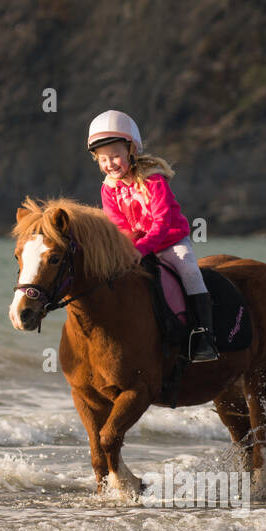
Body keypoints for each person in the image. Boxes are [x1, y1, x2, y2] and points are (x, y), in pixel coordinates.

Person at [88, 110, 218, 362]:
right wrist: (128, 248)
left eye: (115, 156)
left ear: (131, 151)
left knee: (191, 272)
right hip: (137, 246)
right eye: (103, 160)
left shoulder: (154, 180)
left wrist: (142, 248)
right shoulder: (108, 189)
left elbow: (162, 221)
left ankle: (204, 336)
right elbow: (119, 225)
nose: (110, 164)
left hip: (170, 241)